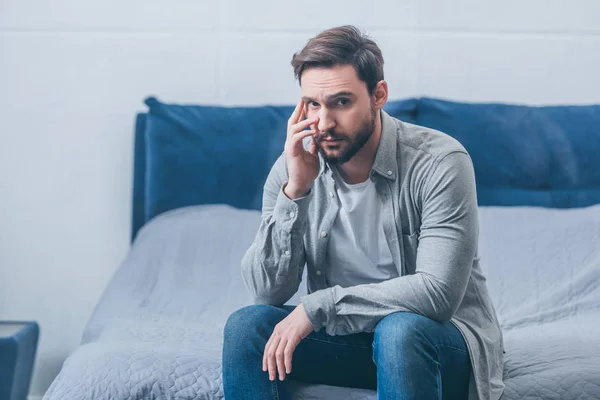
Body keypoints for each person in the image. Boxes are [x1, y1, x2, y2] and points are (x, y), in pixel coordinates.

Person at [222, 25, 504, 400]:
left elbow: (436, 293)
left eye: (341, 102)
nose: (323, 123)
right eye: (312, 104)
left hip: (433, 347)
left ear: (378, 95)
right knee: (246, 327)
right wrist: (296, 192)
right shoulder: (293, 168)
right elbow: (266, 291)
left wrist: (317, 308)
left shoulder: (440, 162)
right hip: (348, 342)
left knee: (400, 331)